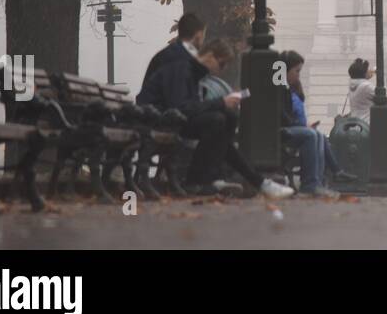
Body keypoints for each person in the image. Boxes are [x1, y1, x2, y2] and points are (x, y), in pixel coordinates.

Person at [138, 36, 293, 199]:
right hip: (160, 119)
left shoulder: (192, 72)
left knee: (226, 119)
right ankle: (206, 179)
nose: (222, 69)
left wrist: (222, 104)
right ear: (210, 55)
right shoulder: (182, 69)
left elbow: (189, 108)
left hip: (174, 119)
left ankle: (230, 179)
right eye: (222, 63)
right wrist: (221, 102)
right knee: (218, 121)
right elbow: (182, 107)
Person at [281, 51, 349, 198]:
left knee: (317, 134)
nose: (298, 75)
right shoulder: (280, 87)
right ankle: (309, 185)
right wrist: (301, 126)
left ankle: (316, 183)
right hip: (280, 130)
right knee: (311, 135)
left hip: (289, 128)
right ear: (285, 70)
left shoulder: (286, 88)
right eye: (296, 71)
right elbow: (280, 115)